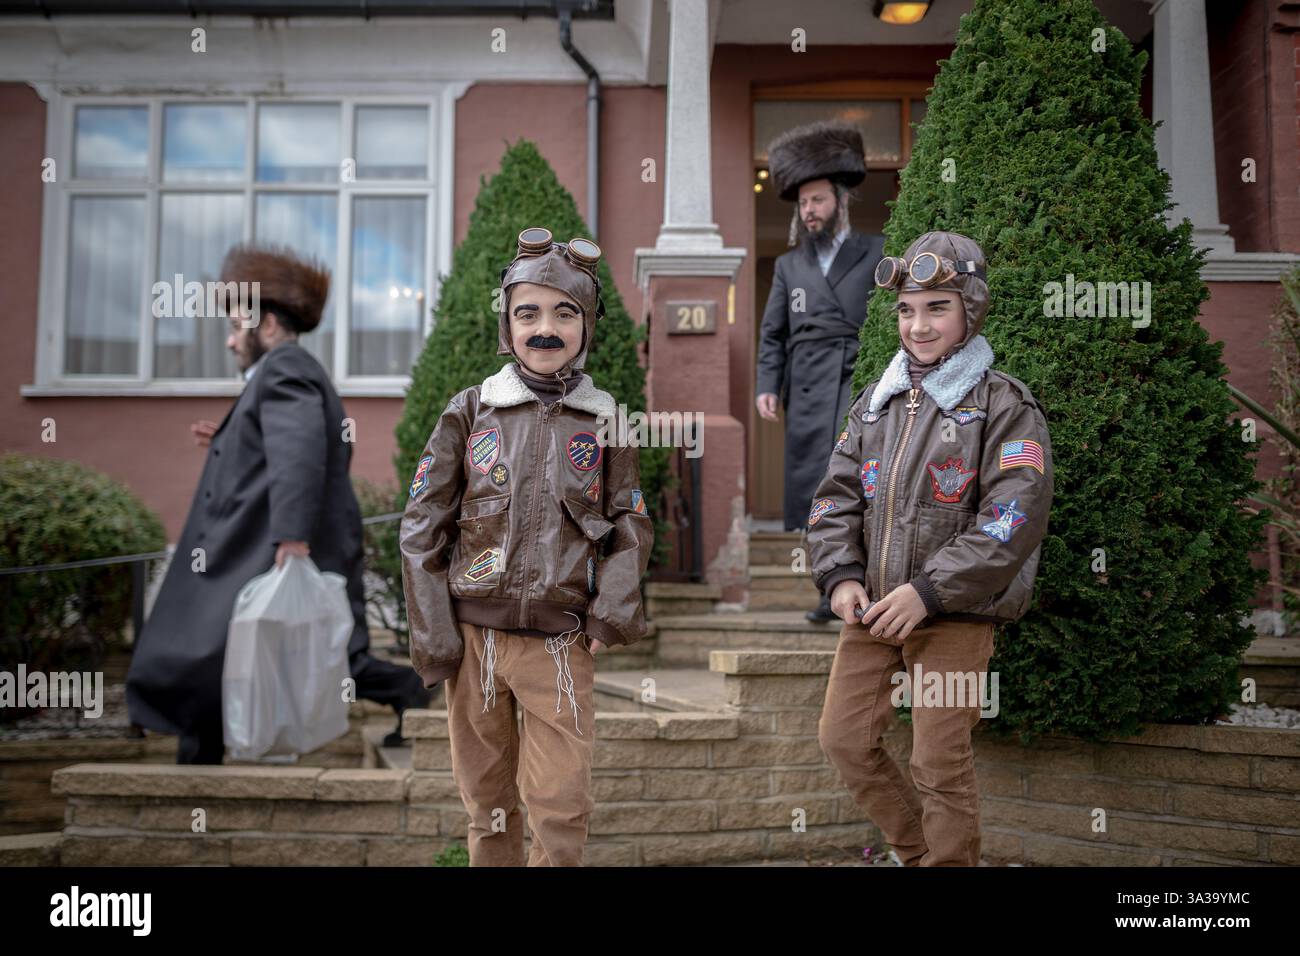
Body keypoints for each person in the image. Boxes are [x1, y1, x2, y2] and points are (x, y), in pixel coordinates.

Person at [399, 227, 654, 866]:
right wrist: (435, 635)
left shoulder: (607, 421)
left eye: (565, 313)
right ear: (507, 326)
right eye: (528, 313)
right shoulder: (470, 411)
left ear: (587, 326)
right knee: (487, 804)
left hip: (560, 645)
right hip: (474, 642)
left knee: (561, 805)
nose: (546, 328)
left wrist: (611, 612)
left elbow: (631, 524)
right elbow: (421, 526)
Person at [127, 243, 431, 765]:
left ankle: (195, 772)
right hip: (266, 547)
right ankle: (197, 764)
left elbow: (299, 452)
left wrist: (291, 539)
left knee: (232, 654)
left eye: (233, 327)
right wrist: (227, 442)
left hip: (271, 548)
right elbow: (286, 447)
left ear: (265, 324)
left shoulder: (285, 368)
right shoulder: (286, 373)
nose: (228, 341)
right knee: (298, 654)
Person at [806, 231, 1054, 866]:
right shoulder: (875, 404)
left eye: (936, 308)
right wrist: (840, 577)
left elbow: (1011, 518)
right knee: (844, 740)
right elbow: (835, 499)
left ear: (970, 309)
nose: (918, 326)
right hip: (873, 611)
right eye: (906, 310)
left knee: (938, 760)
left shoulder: (1004, 403)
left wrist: (928, 591)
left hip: (954, 612)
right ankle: (919, 854)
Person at [755, 120, 885, 622]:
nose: (808, 211)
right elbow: (773, 333)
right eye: (803, 204)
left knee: (859, 481)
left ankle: (867, 581)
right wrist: (768, 385)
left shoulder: (877, 250)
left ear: (840, 200)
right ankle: (828, 589)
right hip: (807, 385)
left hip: (857, 376)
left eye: (817, 201)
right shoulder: (790, 266)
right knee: (817, 487)